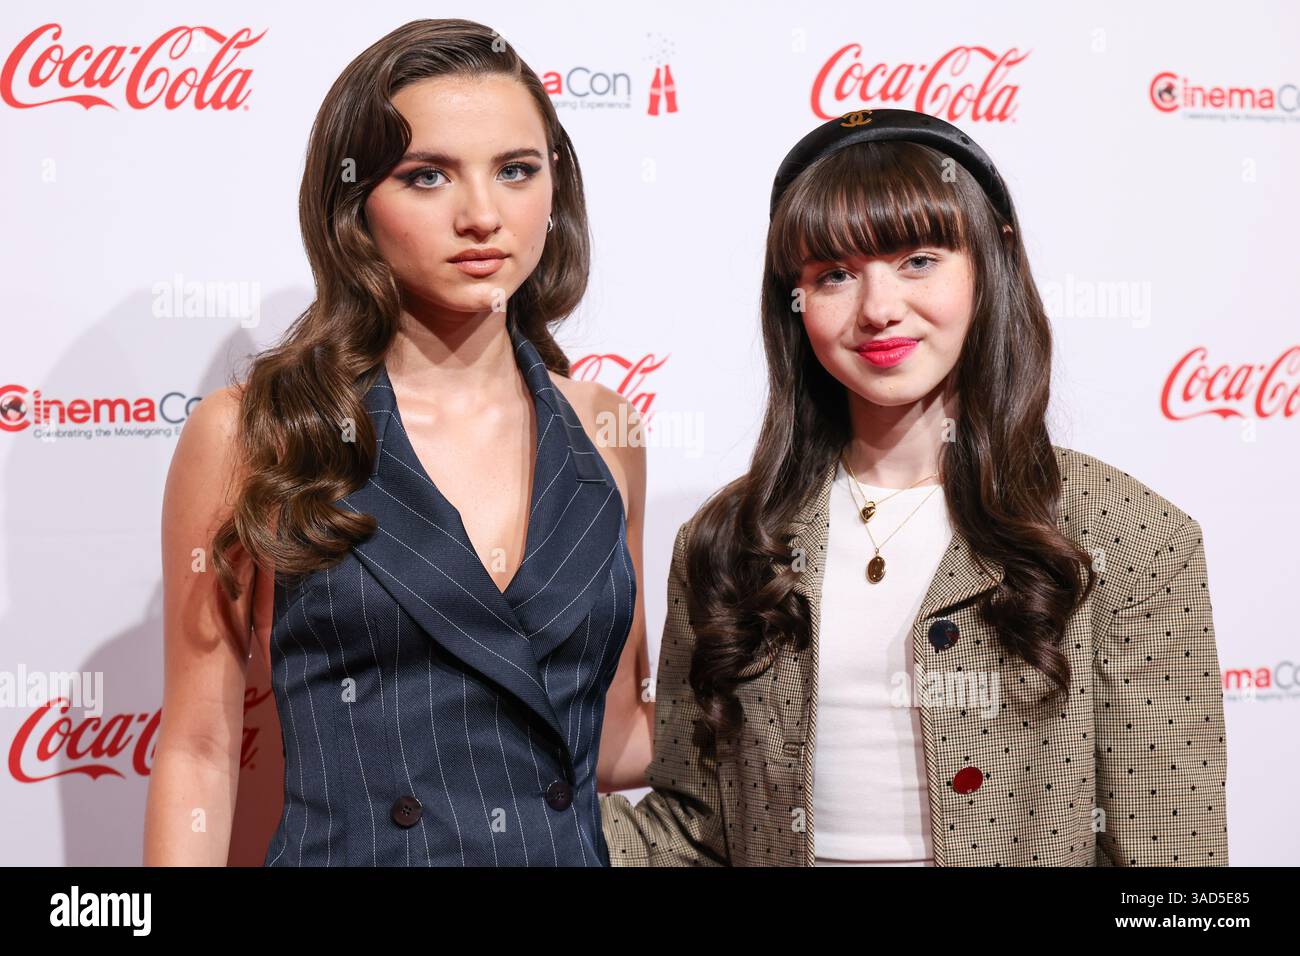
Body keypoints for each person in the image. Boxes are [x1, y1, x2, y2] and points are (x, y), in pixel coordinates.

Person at [600, 108, 1229, 867]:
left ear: (989, 265)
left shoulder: (1127, 533)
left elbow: (1172, 857)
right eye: (833, 274)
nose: (878, 309)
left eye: (919, 260)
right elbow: (692, 832)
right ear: (793, 306)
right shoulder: (729, 539)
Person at [143, 18, 652, 867]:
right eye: (427, 176)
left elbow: (613, 739)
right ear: (354, 204)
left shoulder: (607, 426)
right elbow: (198, 752)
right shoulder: (252, 431)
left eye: (516, 171)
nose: (483, 215)